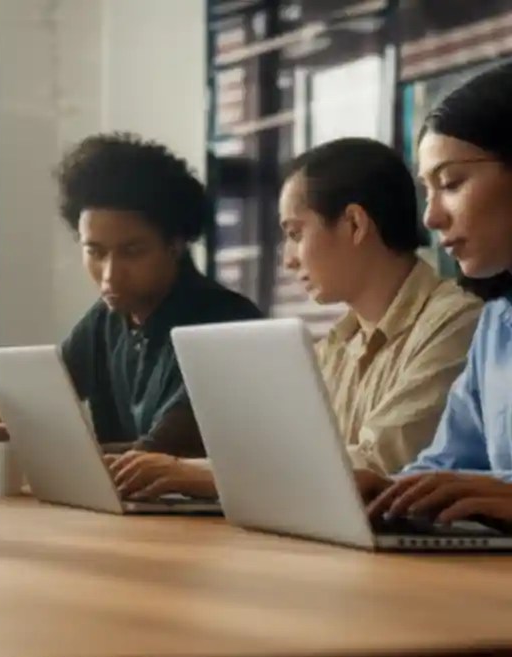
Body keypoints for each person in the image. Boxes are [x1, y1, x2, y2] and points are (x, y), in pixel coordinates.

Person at [108, 138, 481, 501]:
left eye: (295, 233)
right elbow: (281, 458)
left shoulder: (458, 322)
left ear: (354, 223)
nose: (288, 258)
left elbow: (379, 464)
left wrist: (196, 475)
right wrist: (180, 470)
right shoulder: (336, 345)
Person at [366, 61, 512, 526]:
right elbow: (449, 462)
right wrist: (387, 492)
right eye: (426, 191)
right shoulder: (497, 321)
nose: (430, 218)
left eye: (450, 184)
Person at [55, 133, 261, 457]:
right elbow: (26, 409)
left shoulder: (227, 323)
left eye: (132, 252)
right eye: (94, 252)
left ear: (176, 243)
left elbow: (160, 453)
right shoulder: (104, 318)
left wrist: (42, 454)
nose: (109, 275)